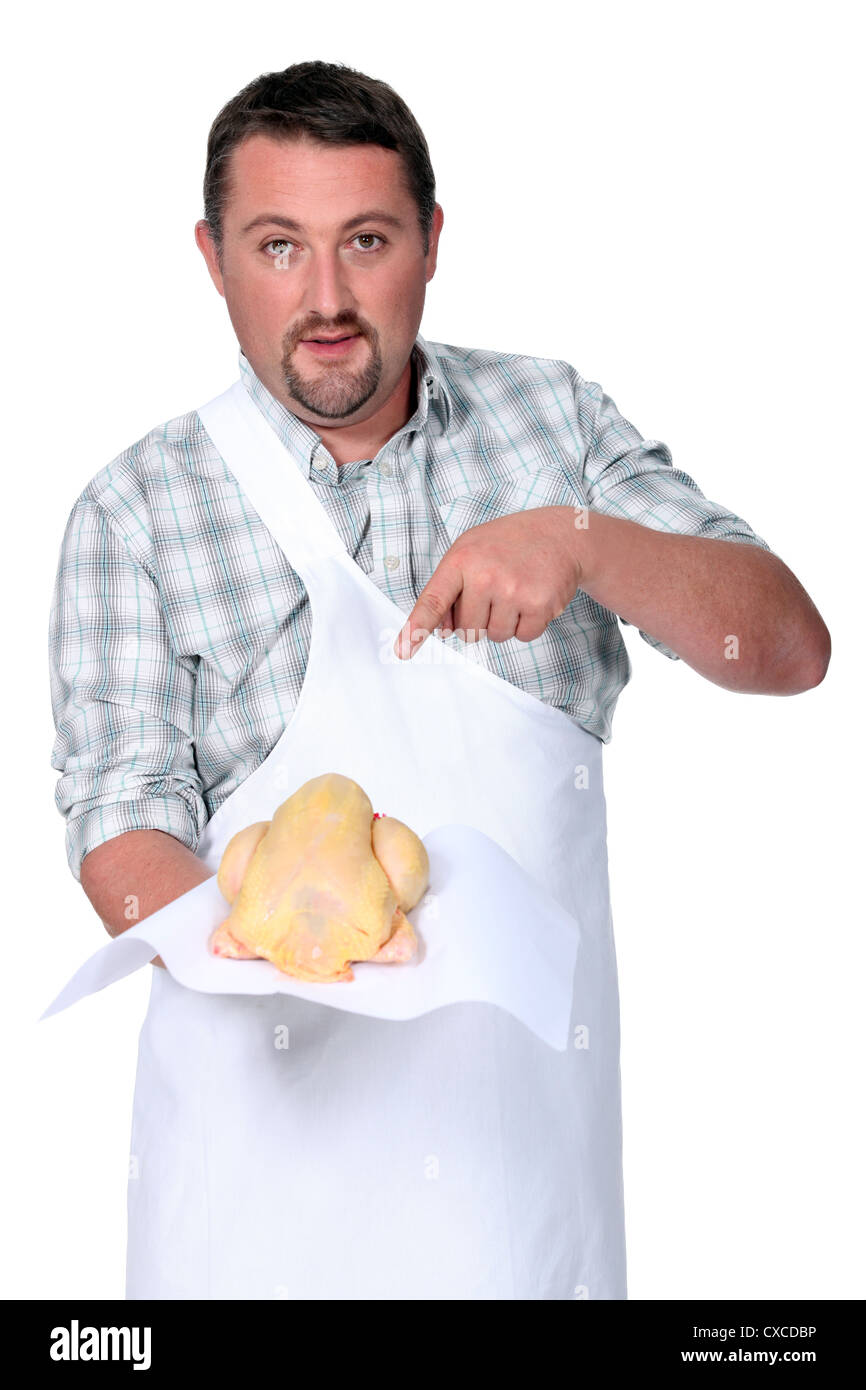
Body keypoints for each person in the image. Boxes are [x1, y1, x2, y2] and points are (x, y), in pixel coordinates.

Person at [49, 59, 830, 1301]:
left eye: (365, 240)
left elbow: (786, 651)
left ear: (429, 240)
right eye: (275, 245)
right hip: (246, 1221)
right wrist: (277, 936)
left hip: (520, 1214)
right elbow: (118, 823)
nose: (324, 298)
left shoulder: (550, 421)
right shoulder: (137, 507)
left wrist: (583, 539)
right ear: (210, 256)